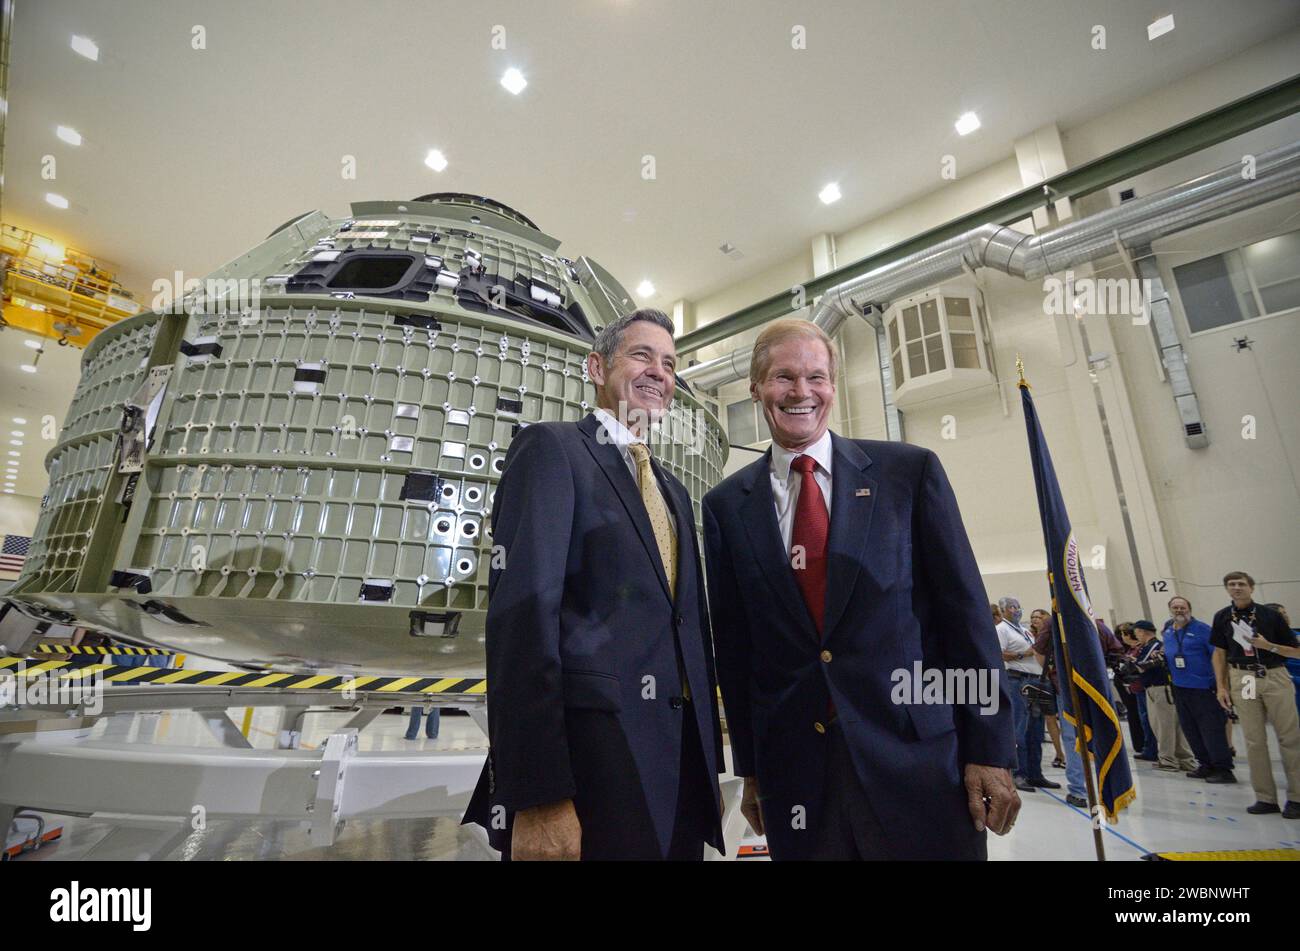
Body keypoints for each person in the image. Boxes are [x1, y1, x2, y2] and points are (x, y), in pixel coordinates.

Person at [702, 318, 1017, 861]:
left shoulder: (908, 473)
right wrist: (751, 769)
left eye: (816, 377)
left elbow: (963, 616)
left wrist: (988, 749)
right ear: (756, 389)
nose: (801, 392)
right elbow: (738, 652)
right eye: (783, 377)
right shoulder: (726, 506)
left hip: (920, 765)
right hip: (798, 776)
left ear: (832, 384)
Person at [461, 309, 725, 859]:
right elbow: (523, 621)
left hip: (676, 776)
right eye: (642, 355)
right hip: (590, 774)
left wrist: (707, 769)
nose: (659, 371)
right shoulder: (551, 451)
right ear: (596, 367)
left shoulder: (673, 490)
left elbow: (684, 629)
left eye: (670, 364)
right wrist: (538, 795)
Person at [1210, 572, 1300, 818]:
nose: (1236, 588)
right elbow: (1219, 653)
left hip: (1273, 675)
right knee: (1254, 738)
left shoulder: (1271, 616)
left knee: (1289, 737)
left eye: (1241, 584)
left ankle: (1296, 796)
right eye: (1231, 585)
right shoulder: (1222, 617)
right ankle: (1265, 797)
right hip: (1245, 677)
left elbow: (1296, 651)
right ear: (1227, 589)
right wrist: (1222, 686)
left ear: (1251, 587)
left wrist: (1268, 646)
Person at [1163, 595, 1235, 785]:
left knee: (1211, 729)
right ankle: (1205, 763)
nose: (1179, 610)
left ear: (1189, 609)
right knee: (1191, 729)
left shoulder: (1203, 630)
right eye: (1175, 607)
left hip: (1204, 688)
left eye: (1182, 607)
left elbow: (1218, 657)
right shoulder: (1168, 631)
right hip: (1180, 688)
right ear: (1170, 610)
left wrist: (1222, 686)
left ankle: (1223, 768)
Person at [997, 597, 1058, 791]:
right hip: (1017, 680)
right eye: (1012, 607)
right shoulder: (1001, 630)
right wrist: (1024, 654)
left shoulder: (1025, 630)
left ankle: (1035, 773)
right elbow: (998, 654)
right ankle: (1019, 773)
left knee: (1036, 728)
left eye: (1018, 606)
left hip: (1037, 680)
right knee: (1020, 728)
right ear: (1004, 610)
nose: (1017, 610)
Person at [1132, 620, 1196, 772]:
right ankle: (1183, 759)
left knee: (1164, 726)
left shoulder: (1155, 645)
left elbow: (1143, 666)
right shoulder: (1153, 646)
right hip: (1156, 688)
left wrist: (1135, 664)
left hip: (1161, 689)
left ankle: (1169, 760)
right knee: (1168, 725)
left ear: (1142, 631)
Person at [1029, 609, 1066, 768]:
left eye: (1040, 616)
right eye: (1033, 617)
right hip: (1040, 680)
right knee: (1049, 717)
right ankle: (1059, 753)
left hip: (1055, 678)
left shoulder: (1052, 634)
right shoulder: (1028, 635)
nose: (1036, 619)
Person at [1264, 603, 1300, 715]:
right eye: (1281, 614)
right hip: (1287, 682)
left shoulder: (1295, 635)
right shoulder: (1265, 642)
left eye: (1285, 613)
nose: (1286, 617)